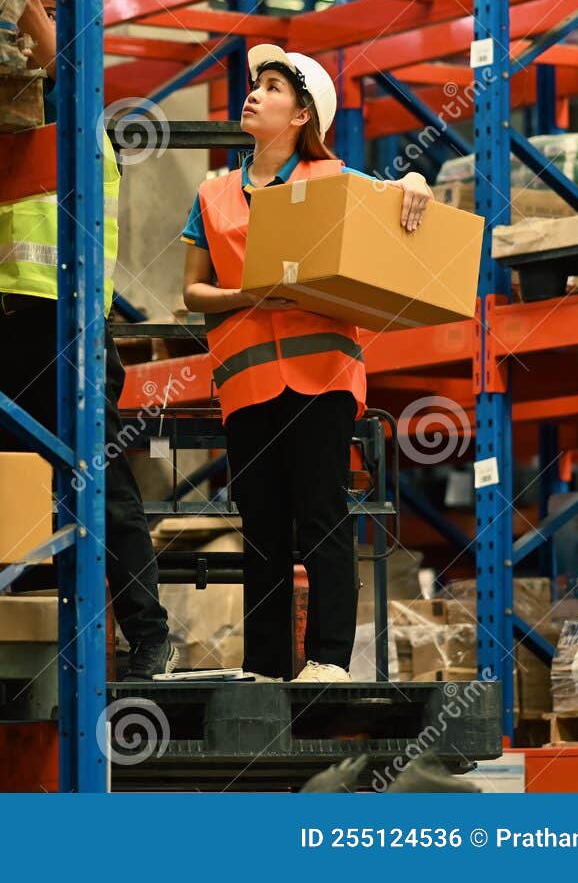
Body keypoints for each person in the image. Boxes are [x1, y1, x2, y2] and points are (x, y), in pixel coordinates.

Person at [180, 45, 430, 682]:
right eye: (254, 84)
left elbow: (399, 195)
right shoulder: (212, 194)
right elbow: (193, 291)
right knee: (261, 524)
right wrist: (248, 296)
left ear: (301, 116)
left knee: (321, 514)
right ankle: (264, 665)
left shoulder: (331, 182)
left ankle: (327, 660)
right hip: (246, 381)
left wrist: (416, 181)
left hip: (322, 378)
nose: (253, 94)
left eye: (272, 88)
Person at [0, 0, 174, 679]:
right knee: (13, 480)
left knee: (99, 483)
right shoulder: (5, 110)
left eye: (48, 15)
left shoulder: (74, 109)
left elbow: (60, 61)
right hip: (8, 320)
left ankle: (148, 634)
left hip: (68, 323)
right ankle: (36, 634)